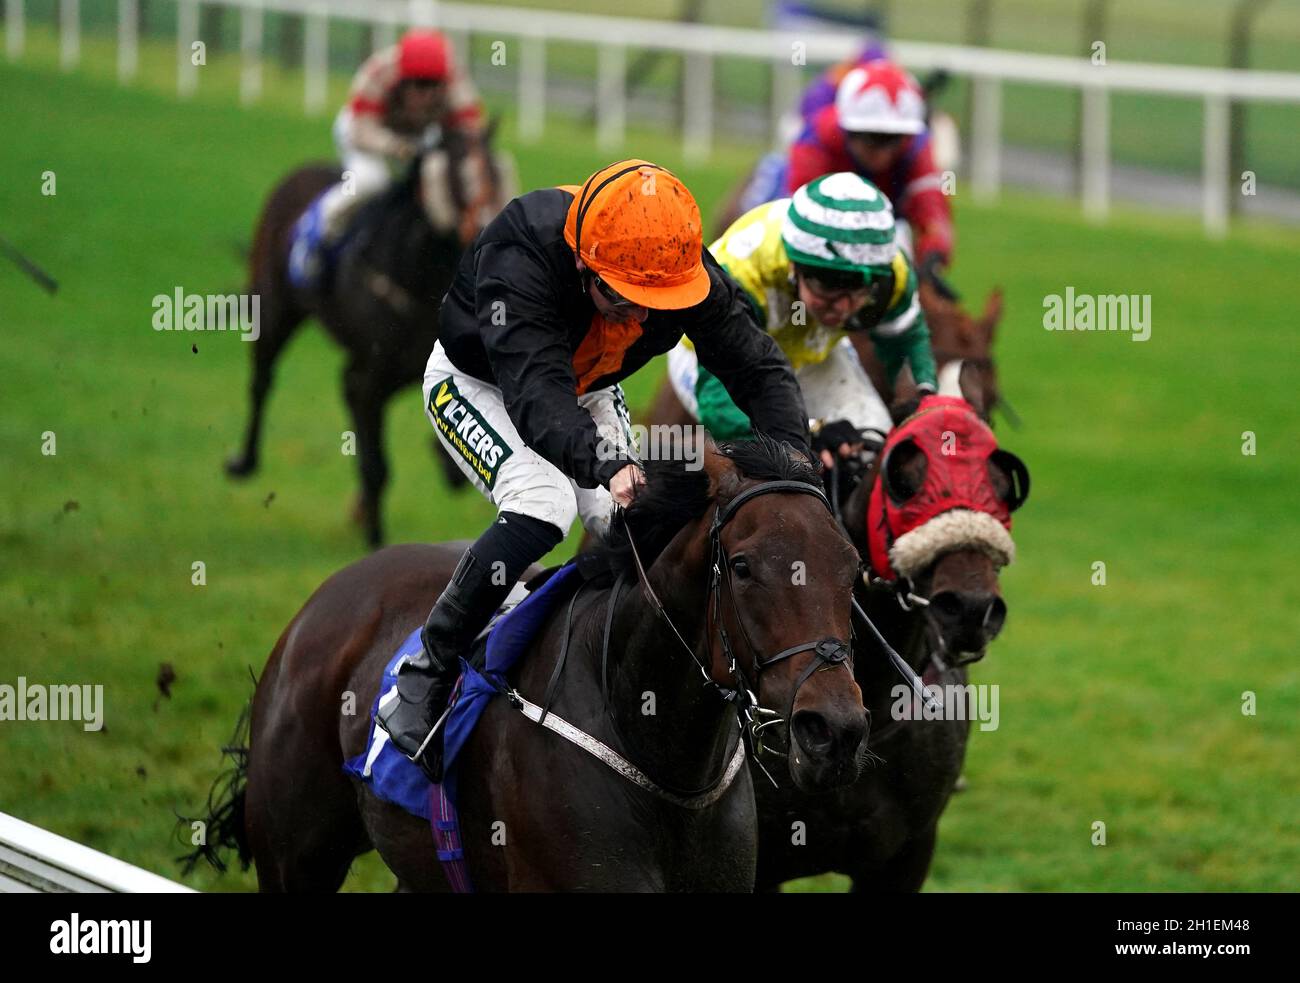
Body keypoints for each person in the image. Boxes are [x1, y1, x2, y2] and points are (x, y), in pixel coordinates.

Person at [375, 159, 812, 781]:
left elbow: (758, 368)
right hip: (487, 383)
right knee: (544, 506)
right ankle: (430, 668)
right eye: (623, 299)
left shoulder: (676, 262)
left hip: (585, 388)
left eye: (655, 304)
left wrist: (795, 461)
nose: (637, 319)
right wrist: (605, 461)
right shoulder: (518, 250)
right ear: (583, 263)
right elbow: (536, 394)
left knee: (632, 529)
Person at [669, 172, 937, 473]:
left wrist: (926, 399)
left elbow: (906, 341)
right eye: (828, 288)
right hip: (709, 354)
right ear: (794, 265)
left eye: (858, 293)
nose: (843, 308)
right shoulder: (744, 273)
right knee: (787, 462)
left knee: (872, 454)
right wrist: (813, 432)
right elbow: (721, 406)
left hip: (808, 349)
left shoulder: (892, 271)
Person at [288, 29, 485, 290]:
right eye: (419, 85)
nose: (427, 95)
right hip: (366, 135)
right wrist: (394, 146)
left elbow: (471, 134)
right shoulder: (378, 74)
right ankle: (314, 232)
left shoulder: (457, 84)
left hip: (420, 141)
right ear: (403, 80)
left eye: (433, 85)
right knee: (372, 181)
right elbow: (360, 129)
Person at [787, 60, 954, 281]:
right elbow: (796, 217)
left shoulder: (917, 146)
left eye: (893, 139)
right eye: (872, 138)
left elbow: (933, 213)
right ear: (847, 130)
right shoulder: (816, 138)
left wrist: (933, 257)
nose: (882, 153)